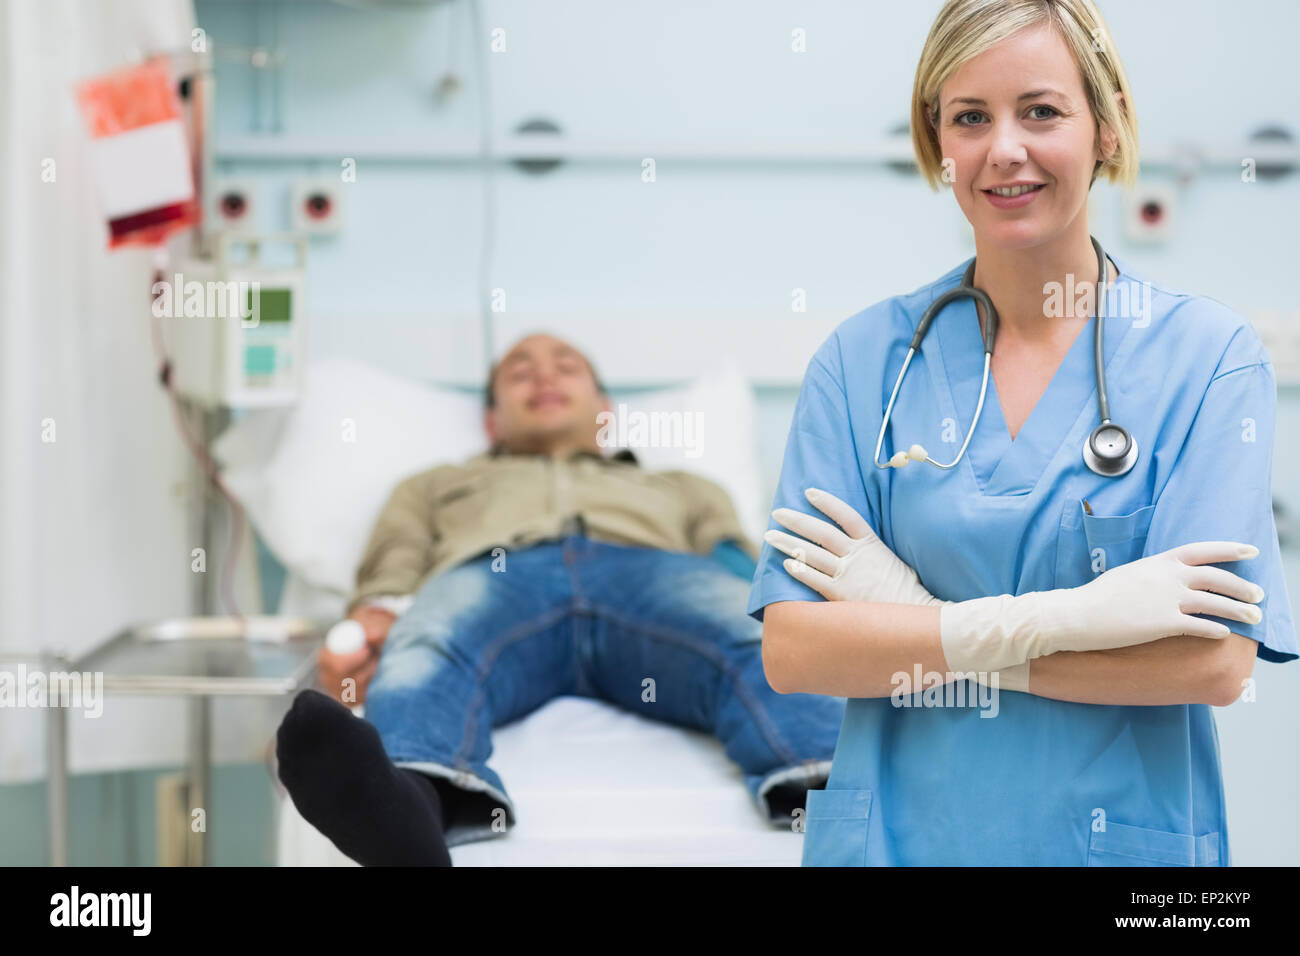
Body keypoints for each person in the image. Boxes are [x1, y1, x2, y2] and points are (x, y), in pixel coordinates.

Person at [750, 0, 1296, 866]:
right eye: (970, 117)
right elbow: (796, 649)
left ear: (1106, 128)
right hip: (898, 843)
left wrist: (917, 623)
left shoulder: (1208, 359)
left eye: (1041, 110)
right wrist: (1075, 621)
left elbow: (1210, 666)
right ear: (941, 145)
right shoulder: (862, 363)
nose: (1005, 148)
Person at [275, 333, 840, 865]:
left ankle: (832, 784)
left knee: (755, 641)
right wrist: (370, 625)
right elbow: (390, 574)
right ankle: (412, 804)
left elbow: (742, 570)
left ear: (605, 409)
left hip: (652, 576)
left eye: (566, 367)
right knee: (428, 643)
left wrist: (799, 616)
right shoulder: (431, 484)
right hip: (497, 576)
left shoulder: (687, 487)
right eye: (519, 371)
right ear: (491, 419)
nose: (543, 375)